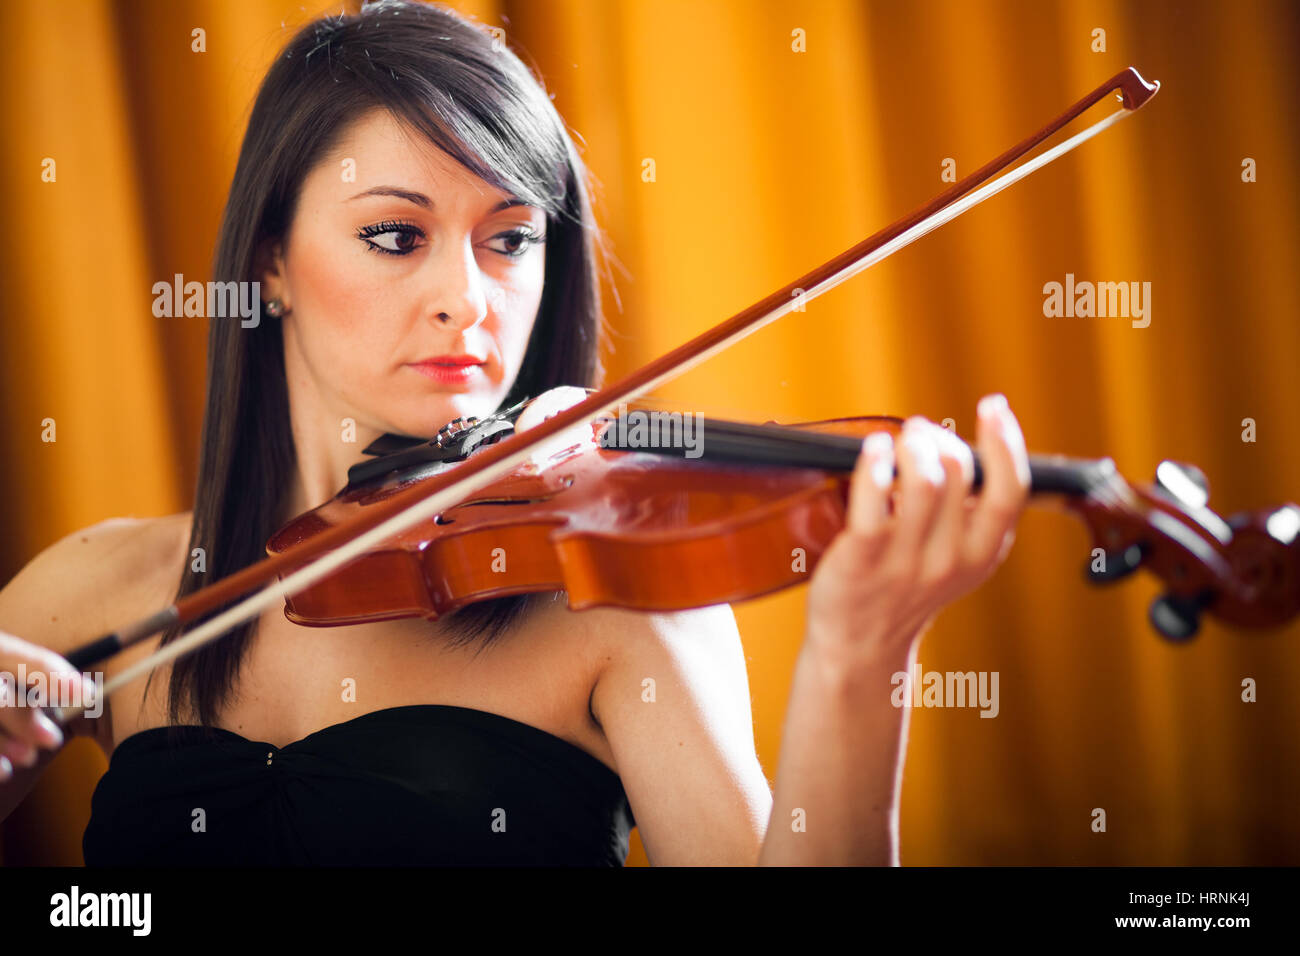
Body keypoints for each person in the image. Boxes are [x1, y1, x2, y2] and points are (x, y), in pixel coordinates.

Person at [0, 0, 1029, 865]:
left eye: (509, 238)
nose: (467, 299)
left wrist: (861, 652)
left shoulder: (614, 596)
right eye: (394, 235)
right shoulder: (98, 588)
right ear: (269, 259)